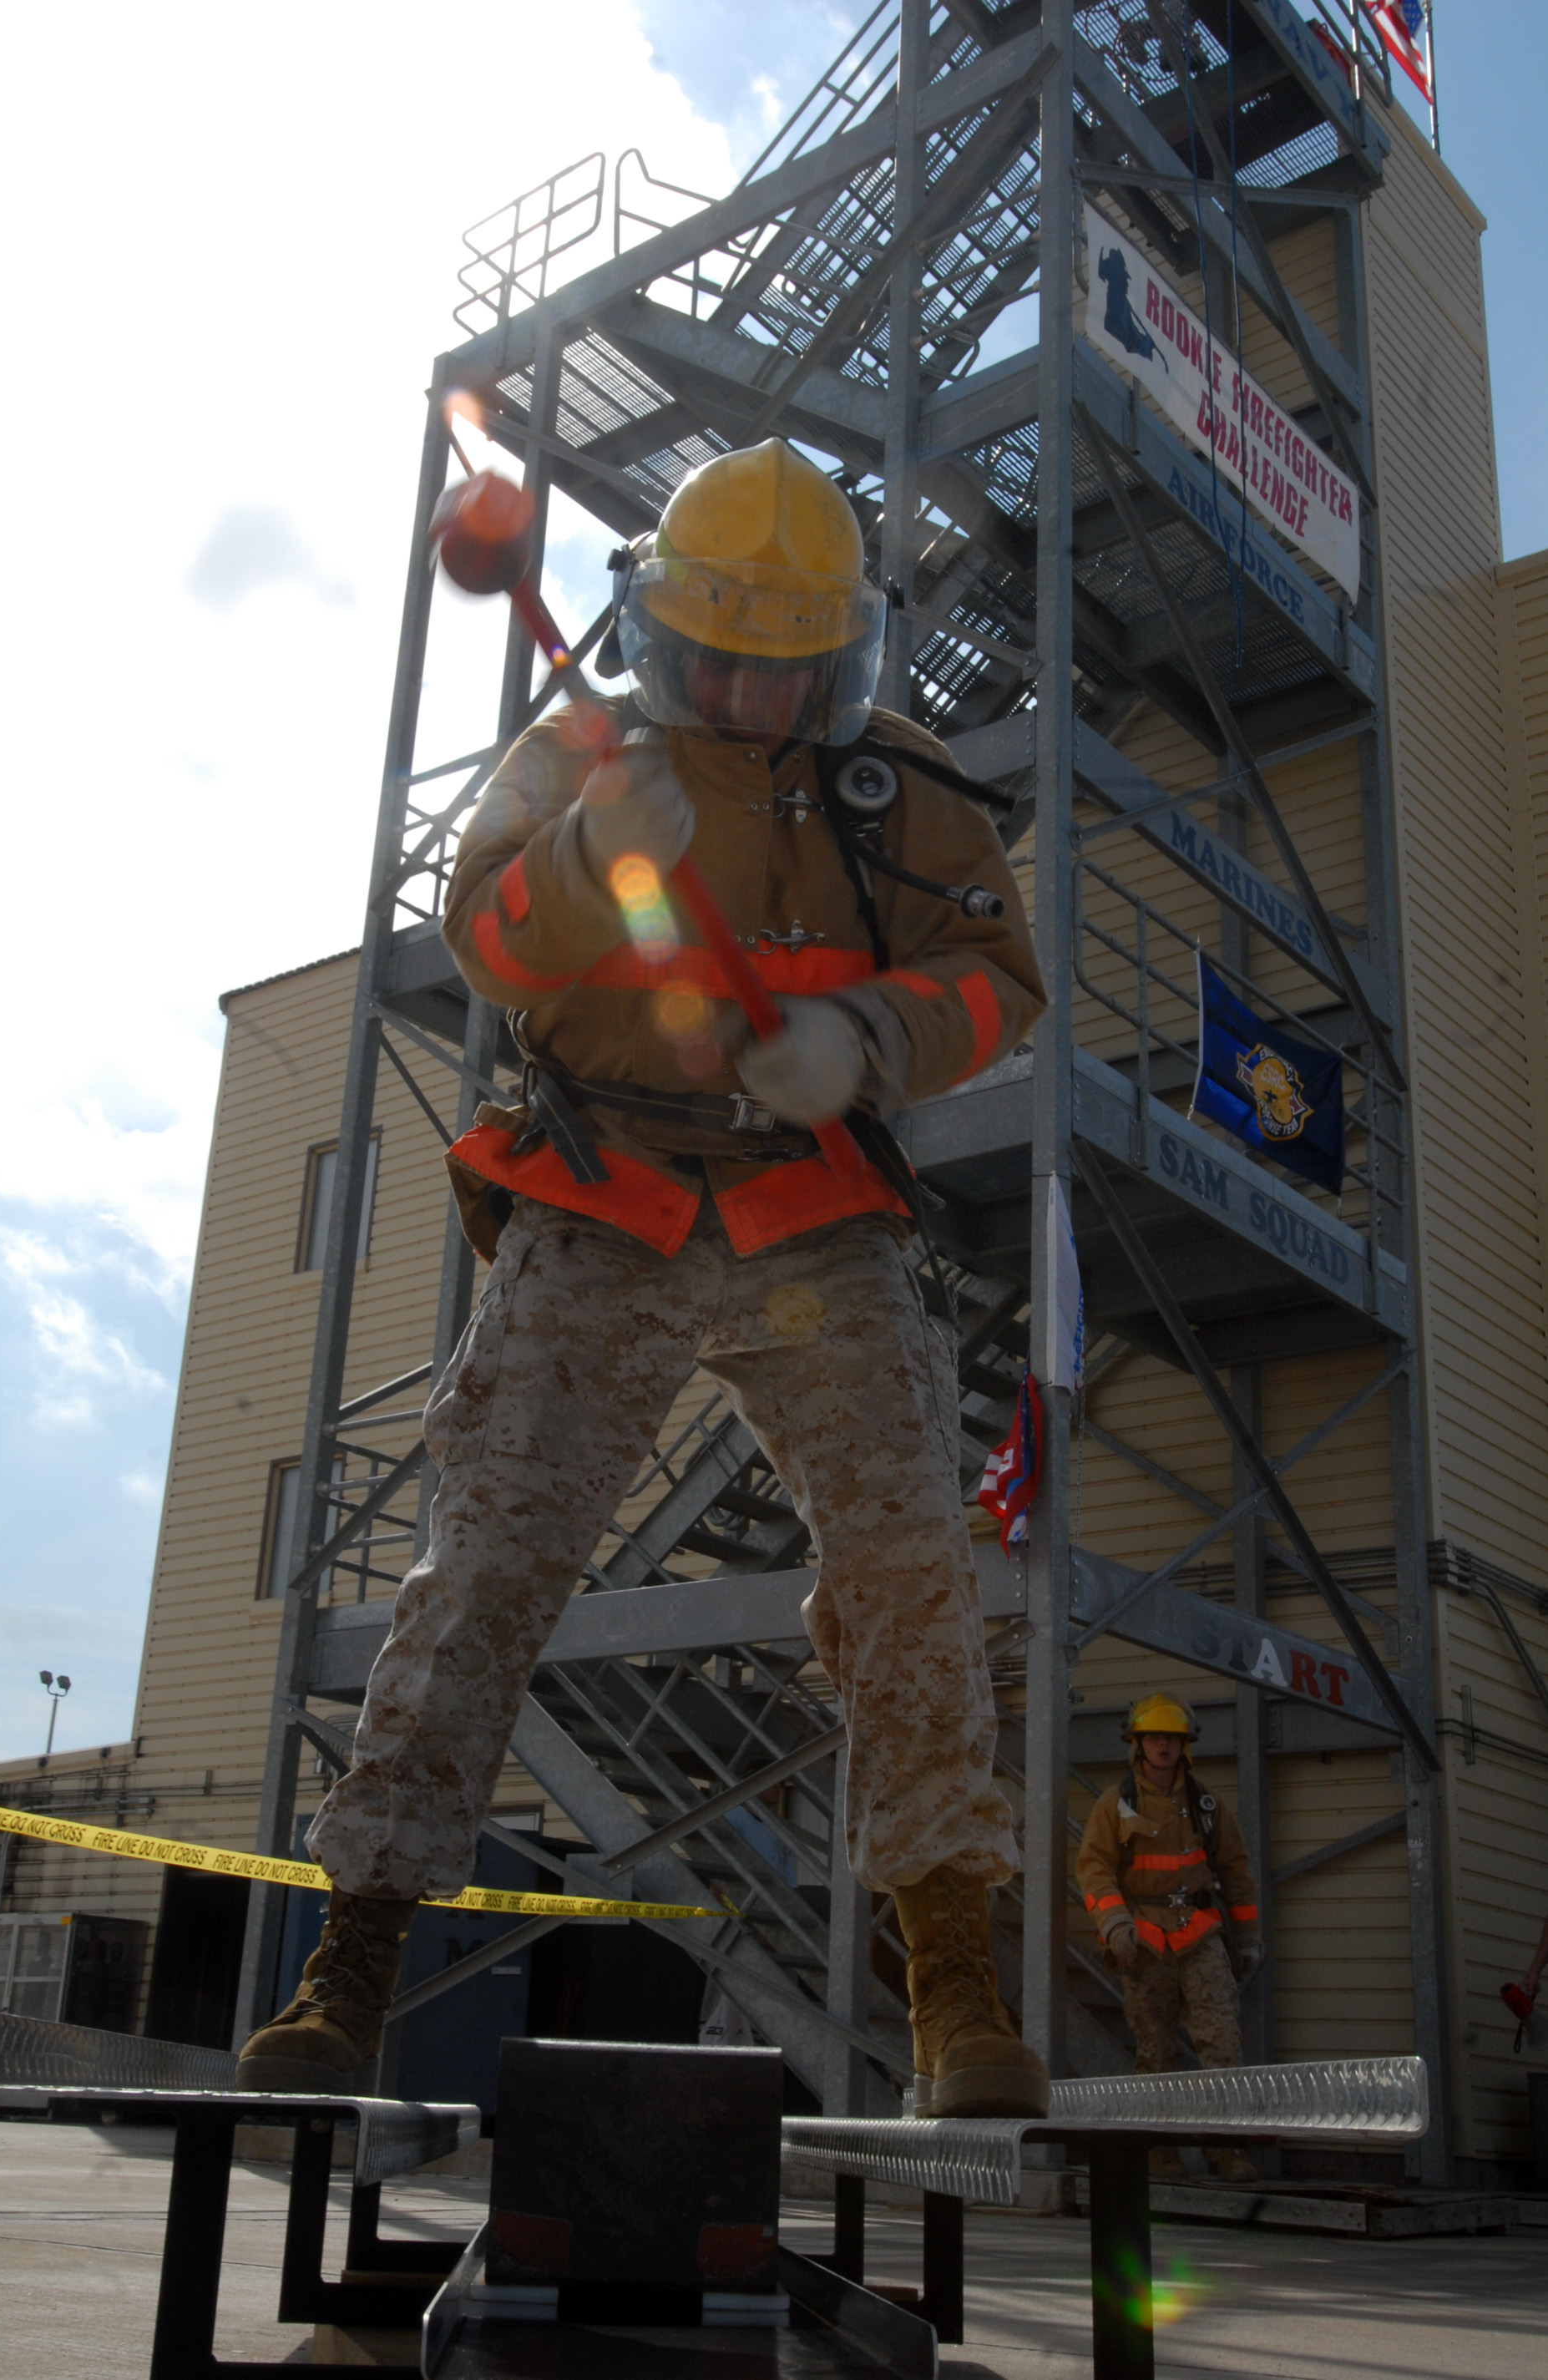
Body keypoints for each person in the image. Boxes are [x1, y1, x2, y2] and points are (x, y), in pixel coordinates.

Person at [239, 438, 1051, 2121]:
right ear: (661, 633)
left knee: (909, 1569)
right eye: (720, 656)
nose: (753, 691)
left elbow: (995, 975)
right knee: (482, 1569)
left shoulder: (899, 784)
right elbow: (489, 944)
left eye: (788, 663)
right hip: (600, 1190)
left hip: (811, 1208)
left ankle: (957, 1996)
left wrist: (869, 1037)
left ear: (845, 655)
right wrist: (583, 855)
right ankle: (356, 1967)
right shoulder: (573, 751)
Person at [1076, 1694, 1262, 2182]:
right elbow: (1095, 1873)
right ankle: (1160, 2154)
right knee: (1154, 2050)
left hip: (1200, 1935)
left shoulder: (1205, 1805)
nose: (1163, 1746)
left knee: (1222, 2042)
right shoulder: (1114, 1805)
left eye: (1171, 1738)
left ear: (1185, 1745)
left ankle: (1230, 2151)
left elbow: (1237, 1874)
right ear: (1138, 1745)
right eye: (1154, 1737)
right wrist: (1116, 1925)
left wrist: (1246, 1940)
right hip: (1145, 1940)